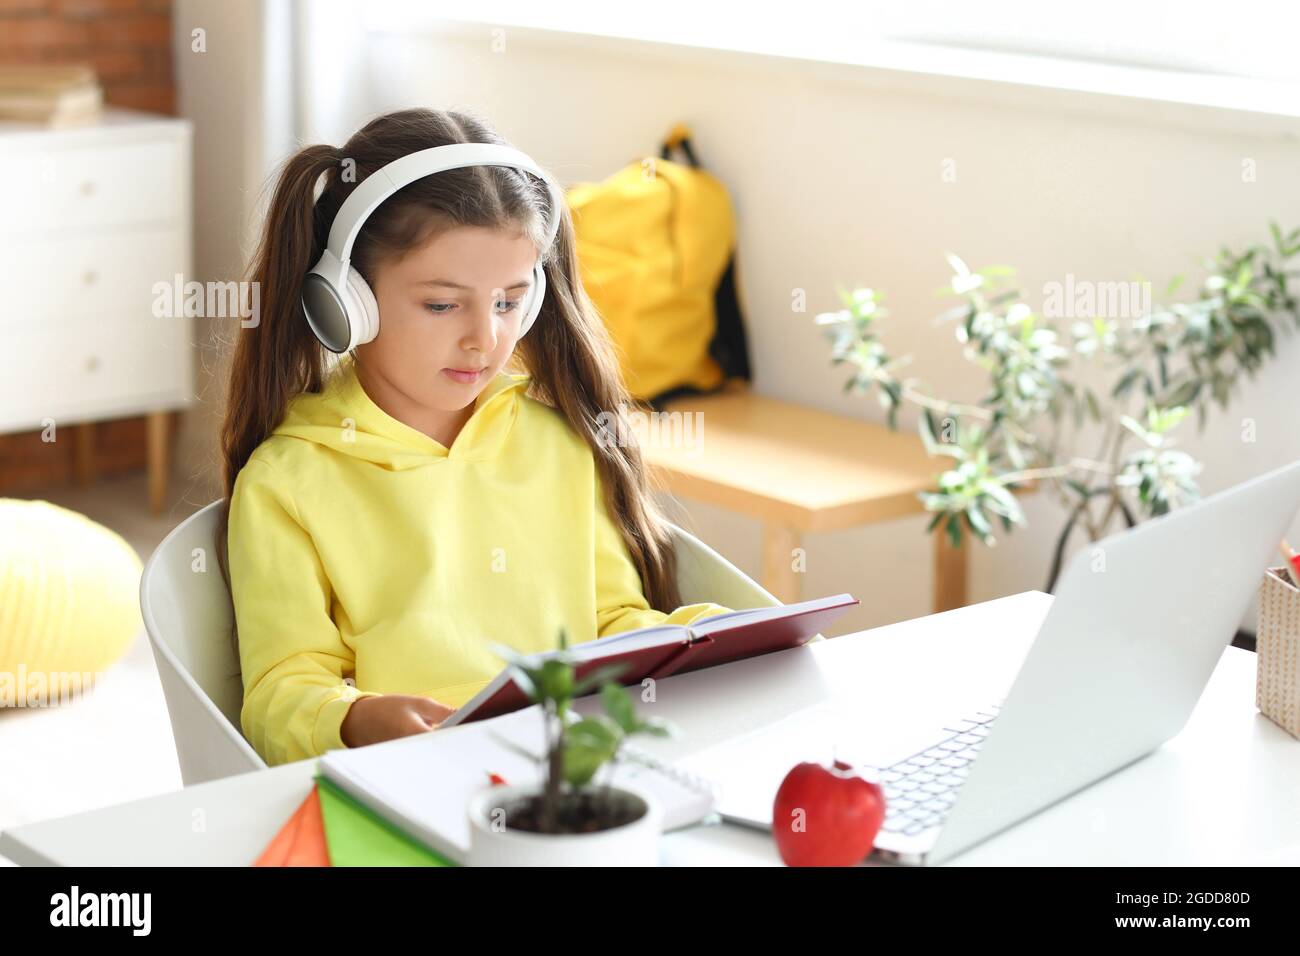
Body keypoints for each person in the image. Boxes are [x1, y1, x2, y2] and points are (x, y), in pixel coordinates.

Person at [215, 107, 730, 767]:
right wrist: (358, 718)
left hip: (568, 778)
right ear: (345, 301)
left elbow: (612, 625)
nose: (484, 338)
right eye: (441, 304)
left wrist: (707, 636)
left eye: (510, 301)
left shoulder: (562, 443)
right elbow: (279, 697)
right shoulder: (288, 482)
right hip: (409, 782)